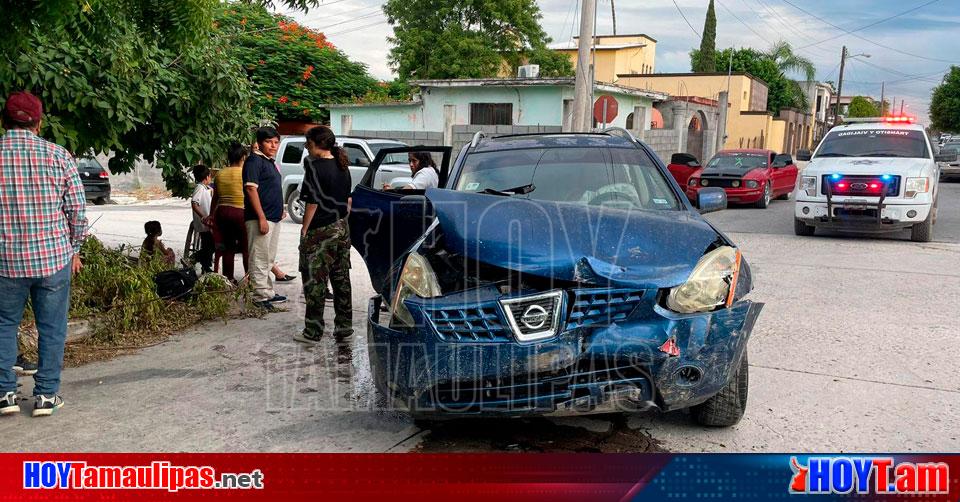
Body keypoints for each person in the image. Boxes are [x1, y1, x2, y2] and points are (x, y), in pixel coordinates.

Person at [0, 91, 87, 417]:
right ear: (38, 123)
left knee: (3, 324)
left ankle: (4, 394)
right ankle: (46, 396)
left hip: (5, 262)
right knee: (52, 327)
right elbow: (77, 211)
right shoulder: (58, 156)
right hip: (52, 260)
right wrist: (74, 249)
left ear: (3, 121)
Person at [295, 126, 353, 344]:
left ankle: (313, 332)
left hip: (320, 230)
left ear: (315, 143)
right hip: (341, 228)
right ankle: (344, 329)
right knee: (341, 278)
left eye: (307, 142)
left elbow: (312, 202)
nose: (306, 146)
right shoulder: (342, 165)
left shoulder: (314, 166)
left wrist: (304, 229)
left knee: (315, 281)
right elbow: (348, 200)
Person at [208, 142, 295, 284]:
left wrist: (212, 215)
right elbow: (253, 193)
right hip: (241, 212)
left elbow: (215, 198)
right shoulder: (246, 172)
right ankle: (249, 279)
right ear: (243, 157)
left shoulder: (220, 174)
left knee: (228, 248)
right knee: (247, 248)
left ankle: (229, 279)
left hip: (223, 212)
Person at [243, 127, 287, 308]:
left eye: (276, 142)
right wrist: (261, 217)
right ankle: (259, 297)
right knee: (259, 259)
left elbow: (270, 188)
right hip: (260, 218)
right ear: (259, 143)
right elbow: (250, 189)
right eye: (269, 142)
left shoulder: (268, 162)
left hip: (273, 217)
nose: (273, 146)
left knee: (268, 258)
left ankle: (267, 292)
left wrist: (280, 209)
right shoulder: (254, 161)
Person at [190, 165, 214, 273]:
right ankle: (195, 258)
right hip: (204, 223)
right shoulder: (199, 188)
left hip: (206, 223)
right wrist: (203, 217)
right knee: (210, 246)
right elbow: (194, 203)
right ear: (207, 177)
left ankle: (206, 266)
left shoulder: (204, 188)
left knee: (208, 245)